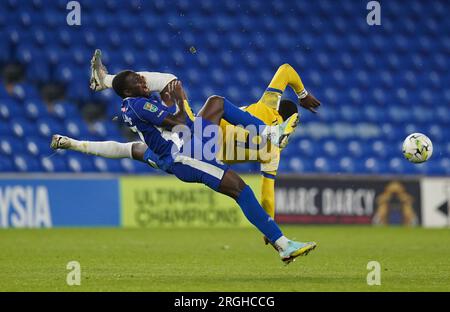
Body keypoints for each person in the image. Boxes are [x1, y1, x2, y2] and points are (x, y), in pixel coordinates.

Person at [52, 70, 316, 264]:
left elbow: (121, 148)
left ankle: (270, 134)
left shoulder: (129, 107)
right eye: (138, 82)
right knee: (241, 190)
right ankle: (283, 244)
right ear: (130, 92)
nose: (144, 82)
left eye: (142, 79)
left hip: (174, 152)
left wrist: (73, 144)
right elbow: (178, 121)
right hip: (188, 154)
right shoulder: (140, 104)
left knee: (215, 103)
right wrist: (179, 98)